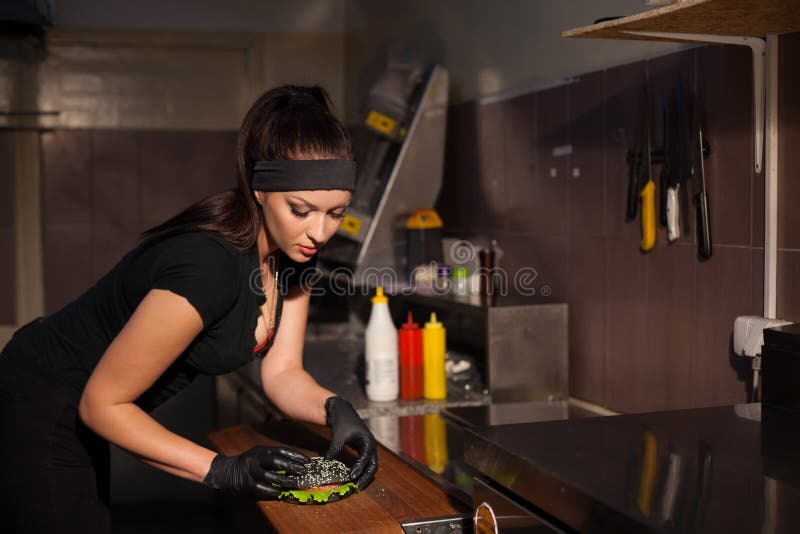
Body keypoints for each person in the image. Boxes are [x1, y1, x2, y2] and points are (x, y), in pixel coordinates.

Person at [0, 85, 378, 534]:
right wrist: (225, 469)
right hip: (41, 400)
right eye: (301, 210)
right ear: (260, 190)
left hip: (90, 404)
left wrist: (335, 409)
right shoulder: (209, 266)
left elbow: (282, 374)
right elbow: (102, 404)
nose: (319, 232)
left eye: (336, 213)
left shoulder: (295, 256)